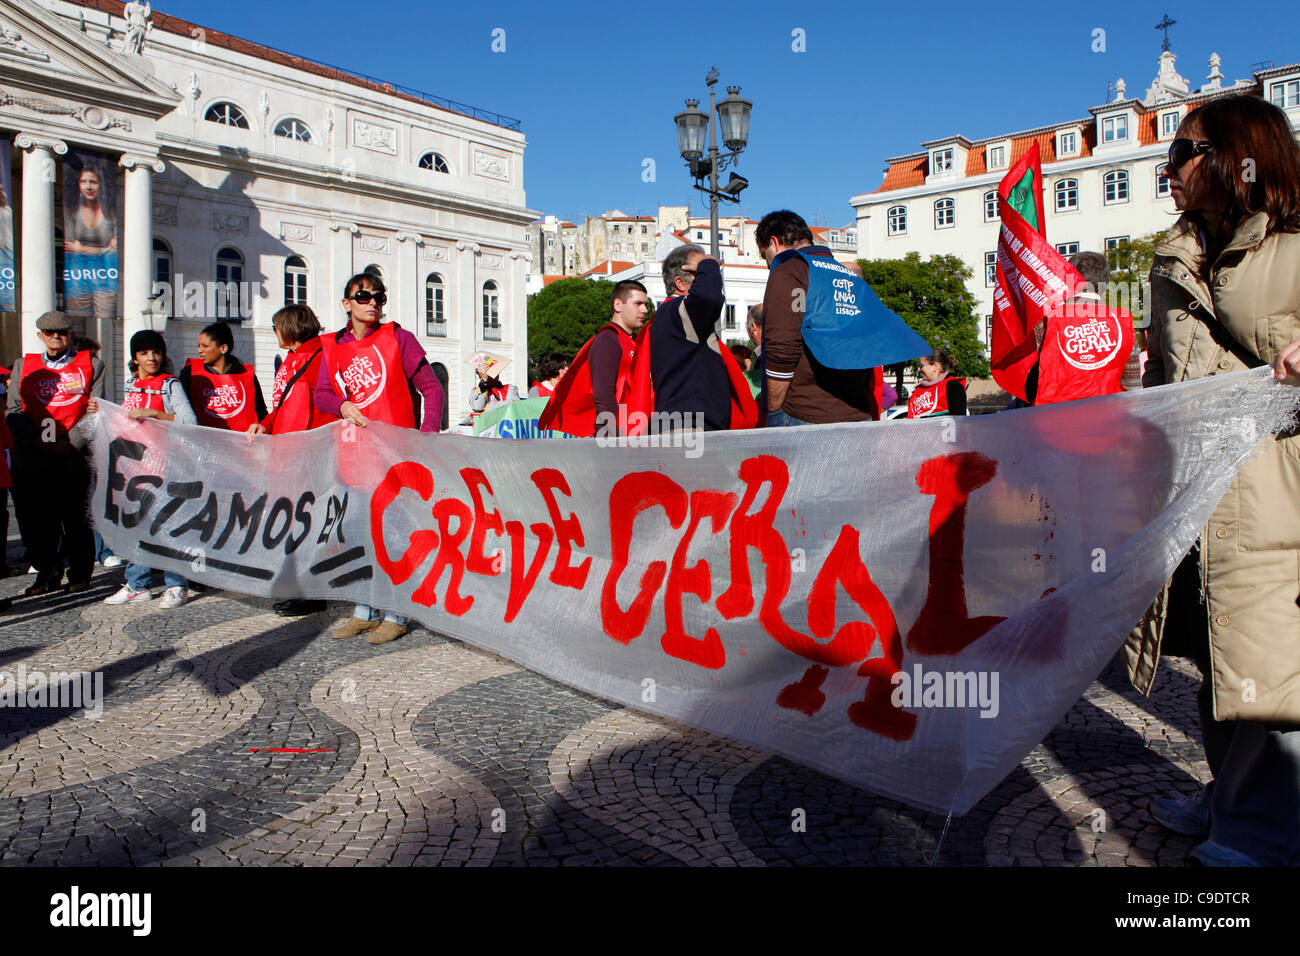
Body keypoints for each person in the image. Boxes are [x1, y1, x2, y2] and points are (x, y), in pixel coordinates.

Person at [1131, 94, 1300, 867]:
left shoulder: (1293, 244)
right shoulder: (1173, 255)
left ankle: (1267, 834)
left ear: (1239, 155)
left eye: (1183, 151)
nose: (1169, 168)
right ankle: (1227, 794)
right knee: (1213, 651)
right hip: (1195, 493)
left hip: (1276, 490)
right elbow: (1170, 375)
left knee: (1270, 663)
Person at [315, 272, 445, 644]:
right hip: (354, 455)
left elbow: (431, 389)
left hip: (395, 457)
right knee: (359, 535)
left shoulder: (398, 338)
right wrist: (341, 404)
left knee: (395, 535)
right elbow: (321, 394)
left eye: (379, 297)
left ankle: (397, 612)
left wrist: (425, 438)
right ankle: (364, 609)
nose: (372, 302)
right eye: (363, 296)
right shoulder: (331, 347)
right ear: (346, 303)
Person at [757, 210, 890, 426]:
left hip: (803, 414)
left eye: (765, 255)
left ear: (775, 242)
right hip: (856, 413)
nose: (767, 264)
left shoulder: (789, 271)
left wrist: (773, 409)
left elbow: (782, 345)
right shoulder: (847, 275)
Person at [5, 311, 104, 595]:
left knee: (75, 520)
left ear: (70, 335)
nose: (55, 337)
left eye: (61, 332)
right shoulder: (24, 365)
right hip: (34, 455)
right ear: (41, 336)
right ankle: (46, 572)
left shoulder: (93, 365)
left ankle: (80, 572)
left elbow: (94, 411)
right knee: (38, 521)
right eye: (49, 333)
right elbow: (13, 410)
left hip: (73, 456)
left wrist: (70, 444)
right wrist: (37, 440)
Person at [94, 330, 195, 608]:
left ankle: (177, 585)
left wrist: (158, 414)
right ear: (135, 357)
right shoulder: (131, 384)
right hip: (137, 466)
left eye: (156, 352)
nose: (152, 358)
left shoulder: (169, 385)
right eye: (144, 353)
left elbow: (190, 420)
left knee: (168, 525)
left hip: (167, 464)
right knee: (138, 525)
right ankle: (138, 583)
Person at [248, 304, 331, 617]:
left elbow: (321, 408)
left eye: (276, 326)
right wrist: (266, 424)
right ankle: (297, 585)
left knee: (305, 522)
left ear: (291, 326)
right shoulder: (291, 359)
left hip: (305, 455)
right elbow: (281, 406)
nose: (274, 332)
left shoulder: (320, 357)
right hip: (287, 452)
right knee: (294, 521)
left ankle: (310, 591)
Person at [639, 243, 756, 432]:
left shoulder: (667, 315)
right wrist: (709, 264)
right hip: (690, 427)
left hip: (683, 424)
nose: (706, 276)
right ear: (680, 283)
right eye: (698, 272)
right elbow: (709, 297)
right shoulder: (680, 310)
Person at [537, 280, 648, 437]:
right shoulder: (608, 339)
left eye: (646, 304)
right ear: (618, 305)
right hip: (615, 438)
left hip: (633, 431)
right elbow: (603, 395)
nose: (645, 309)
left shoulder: (631, 342)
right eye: (638, 303)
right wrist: (618, 436)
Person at [1027, 251, 1133, 406]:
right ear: (1104, 283)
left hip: (1054, 421)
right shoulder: (1124, 321)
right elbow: (1133, 386)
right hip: (1110, 420)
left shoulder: (1045, 322)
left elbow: (1026, 379)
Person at [179, 322, 267, 431]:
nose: (200, 351)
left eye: (205, 346)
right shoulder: (190, 374)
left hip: (240, 443)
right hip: (202, 442)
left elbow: (261, 412)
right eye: (199, 346)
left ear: (223, 348)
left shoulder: (246, 375)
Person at [62, 163, 117, 322]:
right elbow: (70, 246)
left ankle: (97, 348)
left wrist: (82, 248)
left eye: (93, 182)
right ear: (78, 184)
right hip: (78, 275)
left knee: (106, 318)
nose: (88, 186)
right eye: (83, 181)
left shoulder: (112, 214)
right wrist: (104, 248)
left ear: (101, 185)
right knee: (76, 321)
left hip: (106, 275)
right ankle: (83, 348)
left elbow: (116, 248)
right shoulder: (71, 211)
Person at [907, 351, 967, 418]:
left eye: (921, 366)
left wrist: (923, 420)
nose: (919, 369)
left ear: (935, 366)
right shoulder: (916, 393)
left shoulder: (953, 386)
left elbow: (958, 419)